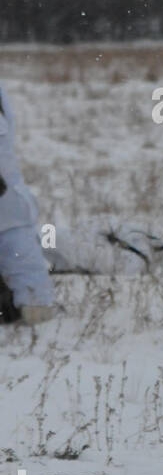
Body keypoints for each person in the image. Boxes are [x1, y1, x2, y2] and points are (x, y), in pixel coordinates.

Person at [0, 82, 56, 325]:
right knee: (18, 244)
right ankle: (33, 304)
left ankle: (32, 305)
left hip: (8, 196)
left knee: (16, 241)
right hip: (10, 197)